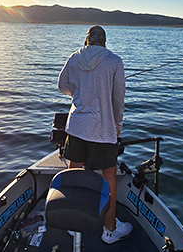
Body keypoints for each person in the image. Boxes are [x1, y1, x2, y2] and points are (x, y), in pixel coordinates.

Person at [57, 25, 132, 244]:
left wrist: (79, 93)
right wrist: (116, 126)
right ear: (104, 42)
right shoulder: (114, 61)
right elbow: (118, 100)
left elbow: (62, 86)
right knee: (109, 176)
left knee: (74, 171)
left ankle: (72, 223)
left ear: (86, 40)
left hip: (77, 127)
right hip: (102, 129)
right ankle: (109, 230)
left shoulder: (74, 57)